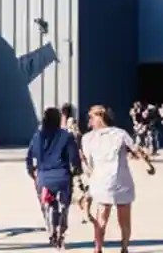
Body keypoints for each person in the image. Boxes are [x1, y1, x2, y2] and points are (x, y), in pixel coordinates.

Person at [83, 105, 155, 253]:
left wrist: (91, 177)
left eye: (91, 117)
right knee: (123, 219)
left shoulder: (88, 138)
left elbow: (87, 161)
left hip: (102, 181)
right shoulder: (120, 134)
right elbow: (137, 150)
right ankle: (123, 248)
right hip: (121, 180)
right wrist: (148, 165)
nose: (89, 121)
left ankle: (99, 248)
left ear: (100, 117)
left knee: (103, 217)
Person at [27, 107, 82, 249]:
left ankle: (51, 229)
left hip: (44, 177)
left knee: (48, 204)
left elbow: (30, 157)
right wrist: (77, 170)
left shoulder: (37, 136)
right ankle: (61, 232)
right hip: (62, 176)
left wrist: (31, 172)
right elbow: (74, 158)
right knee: (64, 205)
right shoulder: (66, 136)